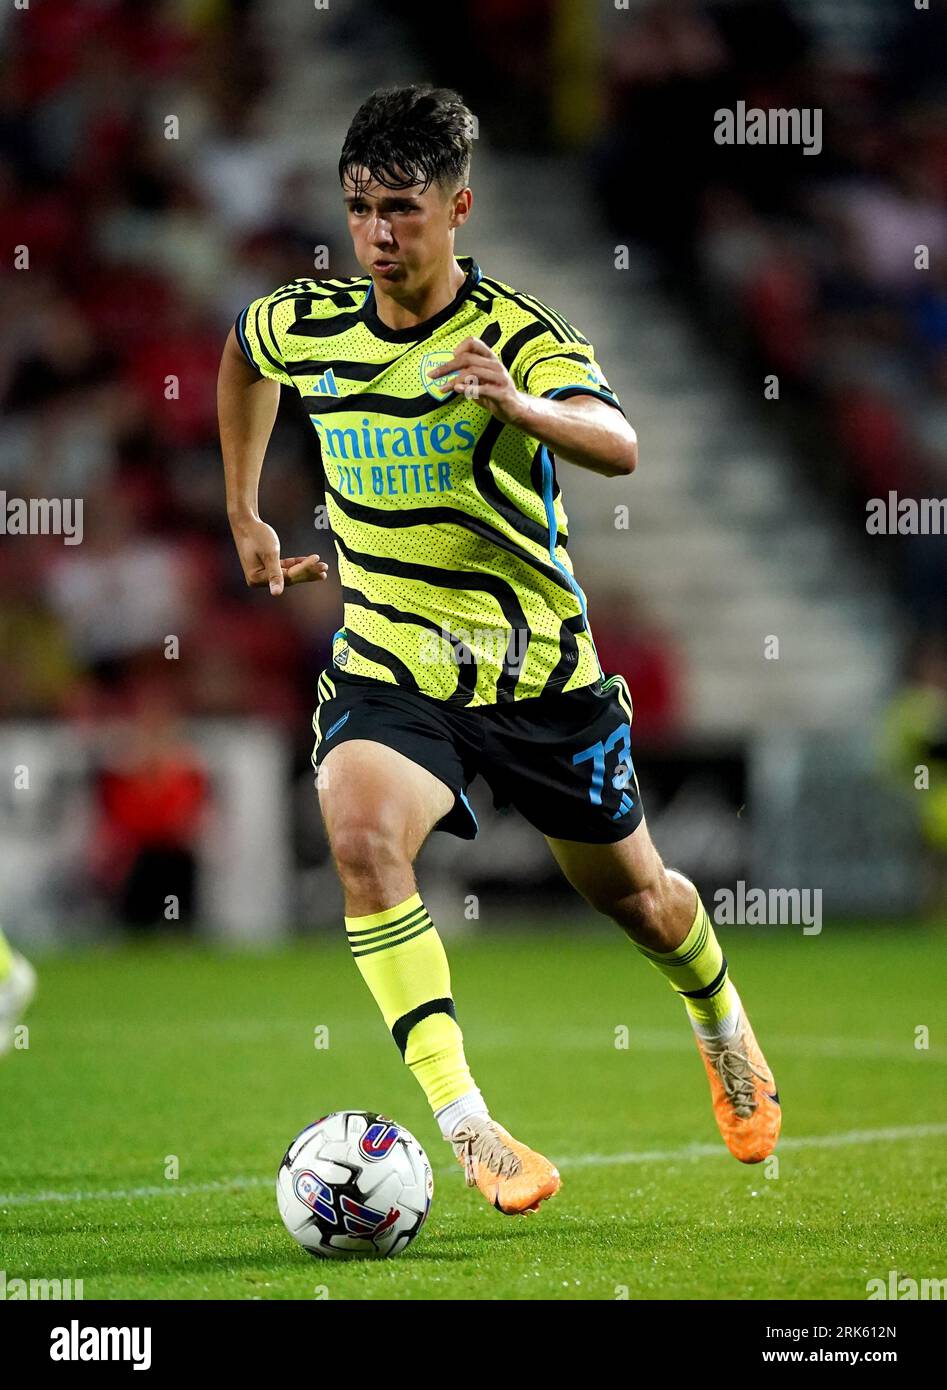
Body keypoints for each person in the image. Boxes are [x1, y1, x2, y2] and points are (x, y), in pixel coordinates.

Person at [217, 85, 780, 1216]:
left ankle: (718, 1019)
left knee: (644, 903)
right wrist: (244, 511)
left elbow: (617, 442)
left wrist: (521, 406)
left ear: (458, 207)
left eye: (403, 212)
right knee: (363, 838)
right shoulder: (307, 319)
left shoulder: (516, 336)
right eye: (361, 209)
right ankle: (466, 1126)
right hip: (391, 666)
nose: (378, 235)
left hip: (540, 680)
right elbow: (241, 355)